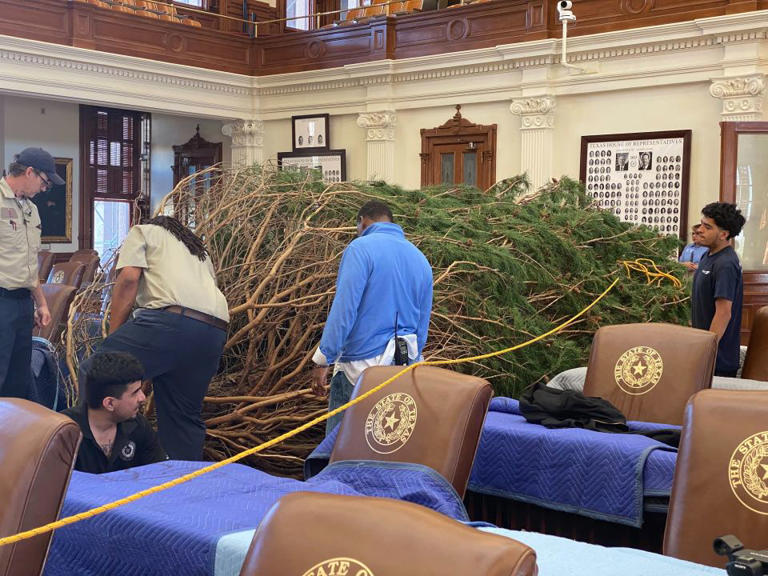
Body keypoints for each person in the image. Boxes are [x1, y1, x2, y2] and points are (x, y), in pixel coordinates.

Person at [101, 215, 229, 460]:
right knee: (182, 417)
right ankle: (181, 487)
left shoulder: (143, 231)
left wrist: (114, 339)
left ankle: (92, 466)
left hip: (171, 320)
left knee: (97, 370)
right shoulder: (198, 251)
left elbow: (128, 280)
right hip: (213, 330)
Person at [310, 201, 433, 435]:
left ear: (363, 221)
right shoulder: (420, 259)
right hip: (403, 369)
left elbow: (344, 310)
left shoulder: (360, 248)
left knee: (339, 450)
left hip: (359, 368)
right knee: (383, 448)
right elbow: (422, 326)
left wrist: (324, 359)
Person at [0, 148, 62, 398]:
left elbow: (29, 265)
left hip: (22, 304)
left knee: (18, 380)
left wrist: (41, 303)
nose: (44, 189)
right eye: (44, 182)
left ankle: (14, 435)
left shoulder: (30, 210)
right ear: (29, 172)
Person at [63, 351, 167, 474]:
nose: (143, 397)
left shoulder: (138, 426)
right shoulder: (64, 433)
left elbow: (159, 474)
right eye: (135, 392)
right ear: (110, 403)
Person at [691, 202, 746, 378]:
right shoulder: (707, 256)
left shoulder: (726, 264)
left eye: (707, 227)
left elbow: (723, 313)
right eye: (701, 224)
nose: (699, 230)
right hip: (704, 355)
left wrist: (706, 351)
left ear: (723, 234)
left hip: (717, 361)